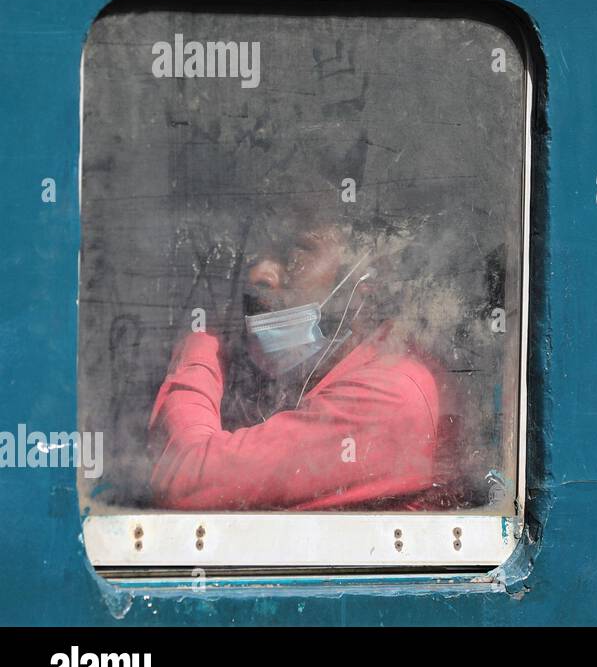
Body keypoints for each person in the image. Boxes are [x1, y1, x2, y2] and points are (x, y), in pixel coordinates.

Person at [147, 210, 446, 511]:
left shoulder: (392, 395)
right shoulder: (298, 373)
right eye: (255, 250)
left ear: (362, 278)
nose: (259, 274)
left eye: (296, 249)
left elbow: (187, 478)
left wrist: (203, 343)